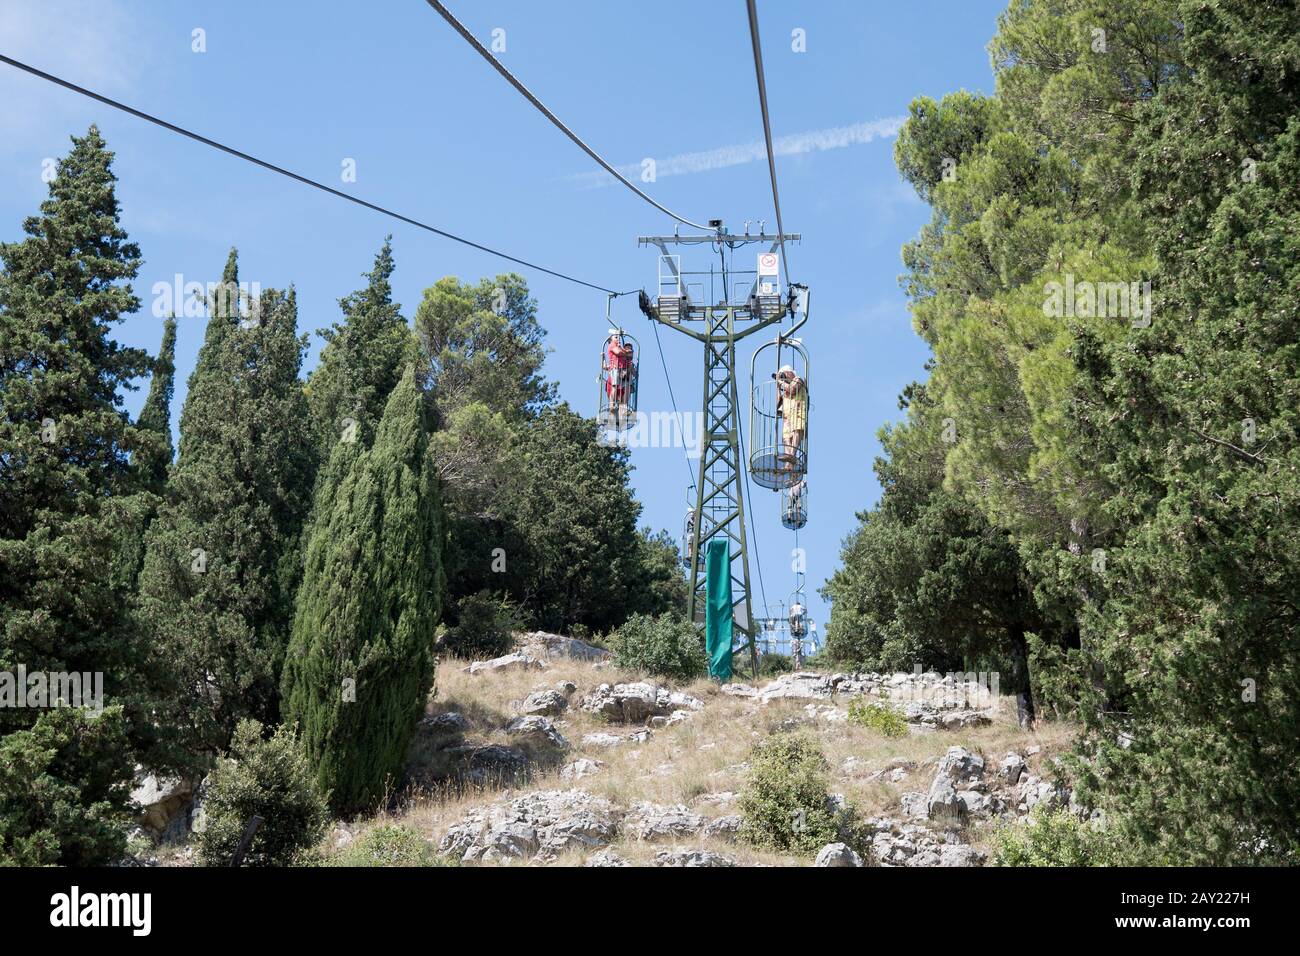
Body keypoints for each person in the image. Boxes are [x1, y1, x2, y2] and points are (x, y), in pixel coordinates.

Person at [775, 365, 807, 480]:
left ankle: (792, 456)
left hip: (797, 412)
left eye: (784, 375)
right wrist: (778, 387)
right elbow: (777, 403)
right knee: (786, 438)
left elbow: (793, 389)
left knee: (796, 433)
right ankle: (789, 465)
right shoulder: (785, 390)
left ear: (790, 373)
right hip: (788, 418)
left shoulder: (798, 380)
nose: (783, 379)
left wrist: (781, 383)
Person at [606, 335, 635, 423]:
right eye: (615, 337)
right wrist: (627, 352)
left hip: (622, 371)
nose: (617, 338)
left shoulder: (620, 349)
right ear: (611, 340)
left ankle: (623, 409)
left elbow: (625, 356)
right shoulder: (612, 346)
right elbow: (618, 353)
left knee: (627, 389)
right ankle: (612, 406)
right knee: (614, 386)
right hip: (616, 369)